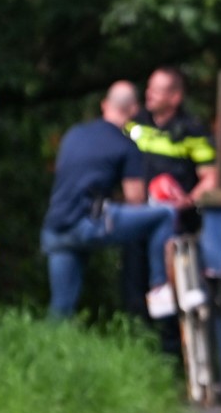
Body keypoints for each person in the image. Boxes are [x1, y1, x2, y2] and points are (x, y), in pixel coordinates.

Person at [40, 82, 179, 320]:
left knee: (61, 308)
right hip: (87, 225)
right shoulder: (125, 145)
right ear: (133, 110)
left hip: (55, 228)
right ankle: (158, 289)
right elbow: (135, 199)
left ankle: (44, 353)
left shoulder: (74, 134)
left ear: (105, 105)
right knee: (165, 214)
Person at [120, 67, 218, 337]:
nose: (149, 95)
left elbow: (210, 178)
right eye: (149, 88)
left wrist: (187, 201)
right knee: (133, 286)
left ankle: (173, 353)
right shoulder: (134, 123)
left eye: (158, 90)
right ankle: (137, 348)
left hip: (176, 226)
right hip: (136, 220)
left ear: (175, 98)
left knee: (172, 293)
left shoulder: (192, 130)